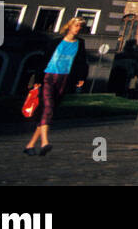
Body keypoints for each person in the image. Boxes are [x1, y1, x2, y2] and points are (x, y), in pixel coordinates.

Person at [24, 17, 89, 155]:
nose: (78, 28)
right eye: (76, 25)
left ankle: (30, 145)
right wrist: (38, 78)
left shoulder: (80, 43)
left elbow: (82, 62)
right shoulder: (56, 42)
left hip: (64, 79)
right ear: (69, 26)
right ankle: (45, 142)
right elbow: (44, 59)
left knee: (47, 112)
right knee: (48, 108)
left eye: (81, 26)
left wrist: (82, 77)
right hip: (49, 76)